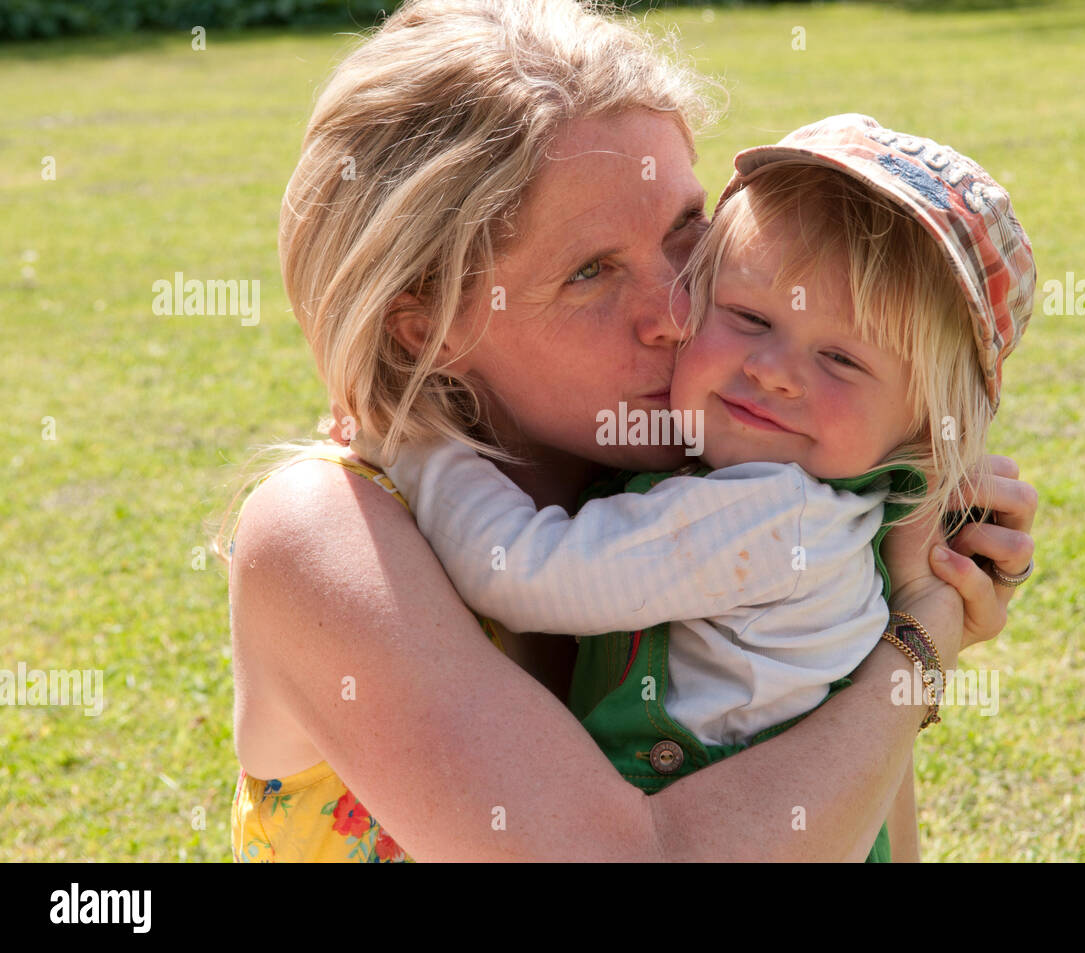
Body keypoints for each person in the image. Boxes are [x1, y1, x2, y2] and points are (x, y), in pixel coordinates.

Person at [220, 0, 1038, 862]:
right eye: (591, 272)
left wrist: (892, 587)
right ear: (422, 326)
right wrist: (916, 648)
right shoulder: (323, 534)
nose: (681, 309)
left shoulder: (710, 477)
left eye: (689, 231)